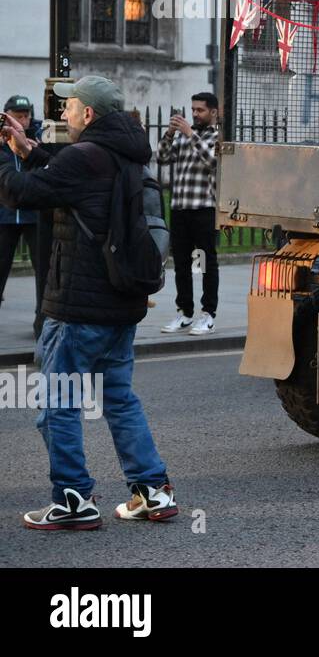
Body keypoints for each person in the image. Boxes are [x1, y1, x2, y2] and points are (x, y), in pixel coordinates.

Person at [0, 75, 176, 530]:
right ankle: (151, 491)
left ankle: (73, 499)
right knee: (118, 398)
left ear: (89, 114)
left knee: (58, 405)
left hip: (77, 307)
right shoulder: (127, 153)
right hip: (122, 304)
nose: (63, 114)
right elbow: (69, 175)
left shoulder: (85, 157)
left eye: (69, 106)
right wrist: (29, 151)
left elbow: (26, 192)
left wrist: (4, 157)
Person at [156, 92, 220, 335]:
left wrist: (188, 133)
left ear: (213, 112)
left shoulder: (217, 137)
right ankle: (184, 312)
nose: (195, 114)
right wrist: (171, 133)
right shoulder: (184, 137)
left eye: (200, 110)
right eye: (193, 109)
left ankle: (208, 314)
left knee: (203, 263)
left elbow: (211, 161)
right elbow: (162, 158)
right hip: (180, 209)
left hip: (203, 210)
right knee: (182, 264)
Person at [0, 95, 44, 333]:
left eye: (27, 115)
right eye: (18, 116)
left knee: (42, 268)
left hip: (33, 213)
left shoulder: (40, 135)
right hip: (4, 214)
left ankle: (42, 321)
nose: (24, 120)